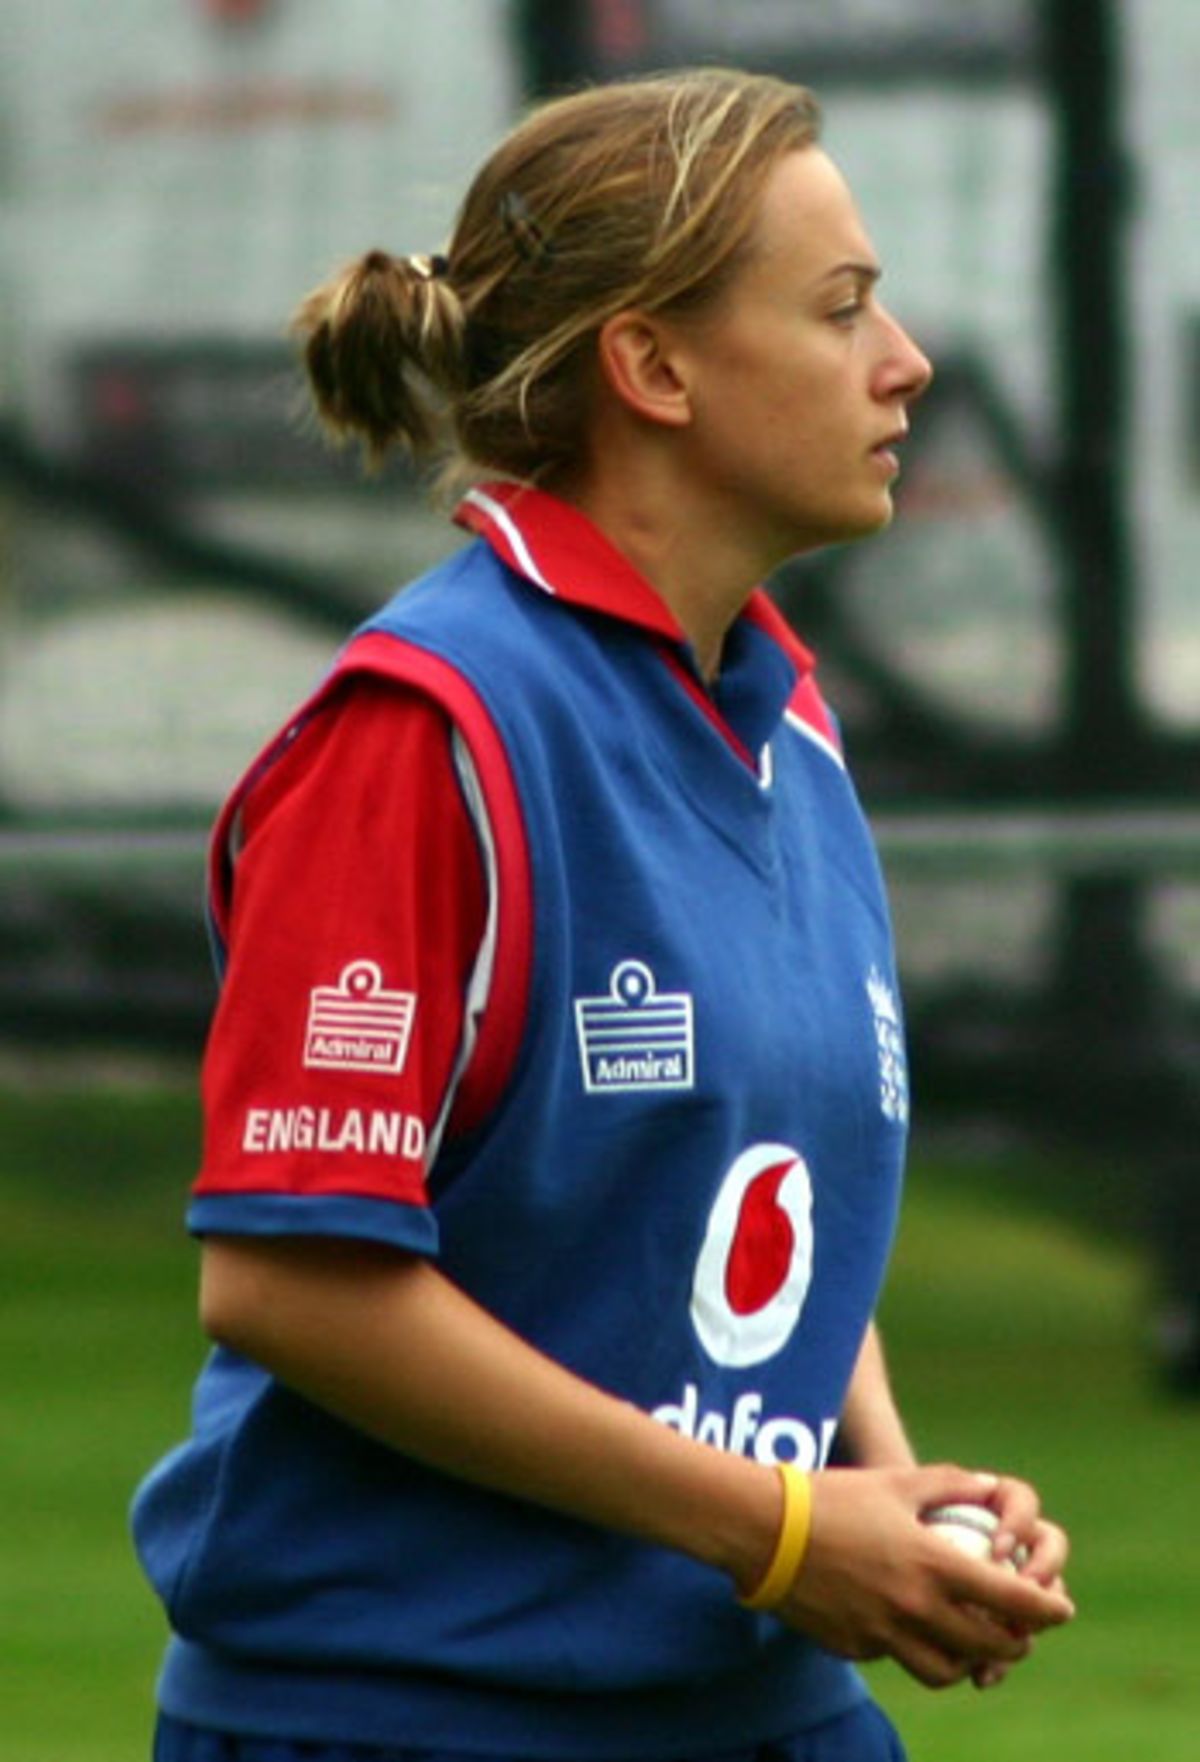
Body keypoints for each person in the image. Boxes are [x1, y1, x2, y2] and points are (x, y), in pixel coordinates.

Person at [132, 65, 1074, 1762]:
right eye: (843, 305)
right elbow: (290, 1277)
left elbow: (743, 1195)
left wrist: (892, 1502)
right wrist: (782, 1533)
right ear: (651, 368)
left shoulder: (781, 714)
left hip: (763, 1705)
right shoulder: (429, 732)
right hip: (414, 1719)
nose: (906, 359)